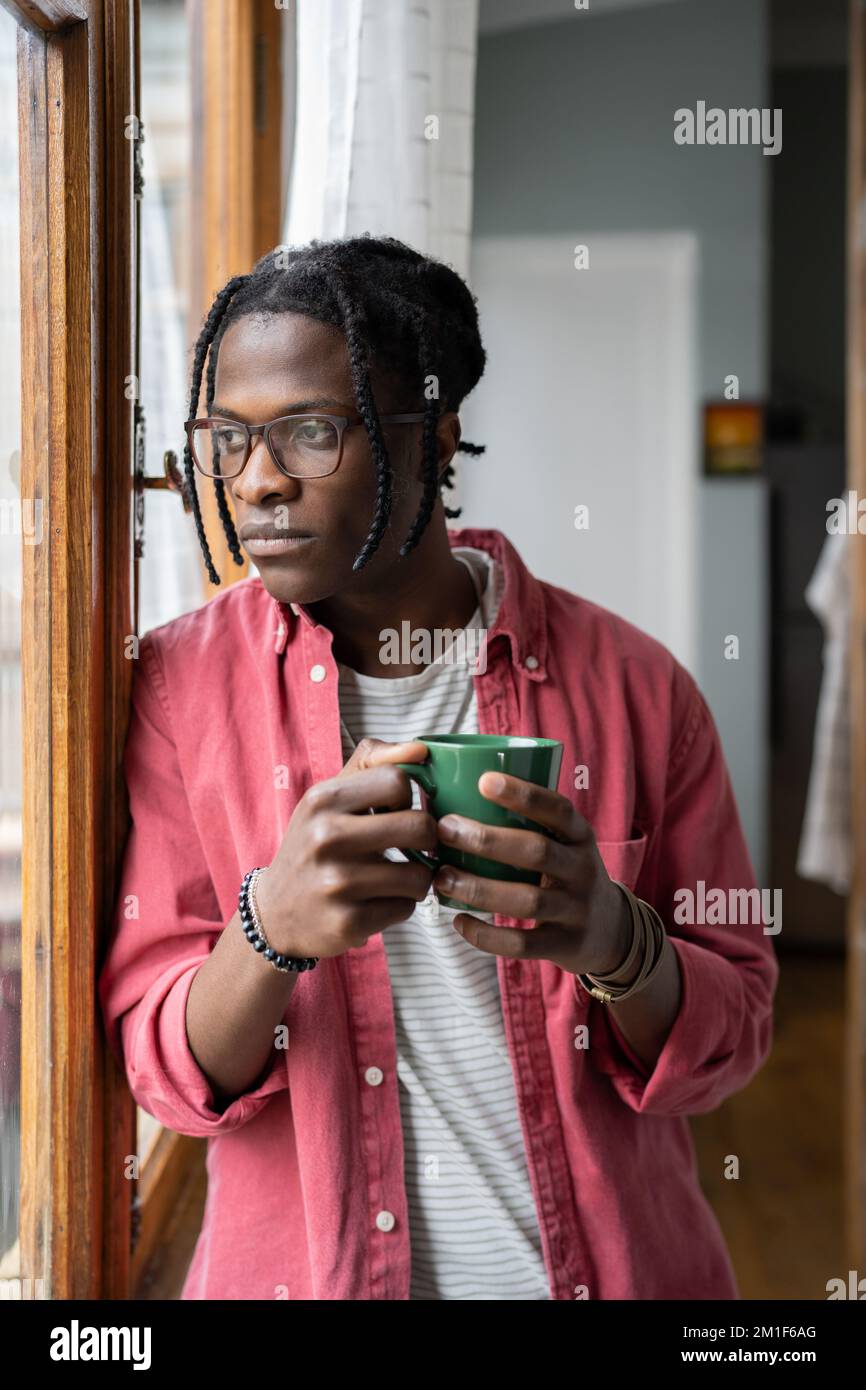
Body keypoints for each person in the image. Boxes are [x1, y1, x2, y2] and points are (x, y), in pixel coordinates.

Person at [98, 234, 778, 1301]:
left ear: (434, 438)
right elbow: (163, 1071)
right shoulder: (177, 692)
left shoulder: (639, 688)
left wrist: (613, 939)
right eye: (224, 438)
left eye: (311, 432)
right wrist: (266, 929)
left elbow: (734, 1035)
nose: (258, 481)